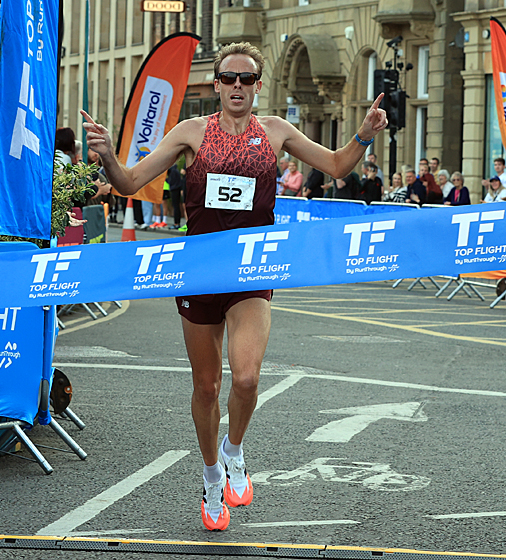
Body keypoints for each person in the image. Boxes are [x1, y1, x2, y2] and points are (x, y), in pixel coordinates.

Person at [82, 41, 387, 531]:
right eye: (229, 78)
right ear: (217, 84)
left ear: (258, 85)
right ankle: (209, 480)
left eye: (246, 79)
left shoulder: (275, 132)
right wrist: (105, 157)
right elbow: (130, 179)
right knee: (206, 386)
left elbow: (335, 165)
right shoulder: (190, 132)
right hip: (200, 271)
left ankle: (235, 451)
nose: (237, 87)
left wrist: (364, 136)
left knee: (245, 378)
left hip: (250, 272)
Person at [167, 164, 184, 229]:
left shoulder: (172, 171)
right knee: (176, 206)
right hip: (176, 188)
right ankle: (177, 222)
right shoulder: (175, 170)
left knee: (176, 206)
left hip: (175, 189)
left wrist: (167, 180)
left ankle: (176, 223)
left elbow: (172, 181)